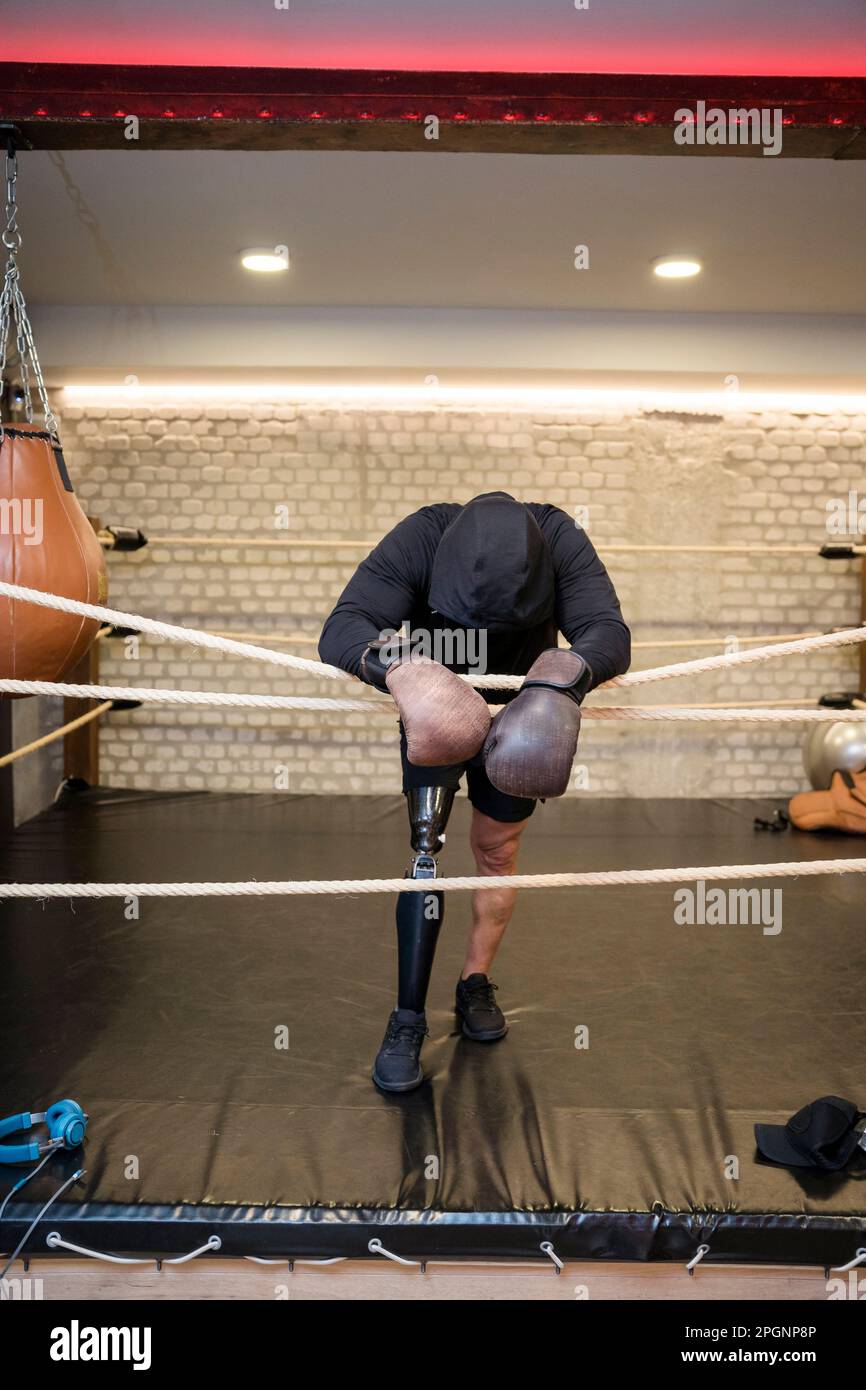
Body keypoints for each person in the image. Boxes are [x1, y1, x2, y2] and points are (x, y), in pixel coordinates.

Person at [319, 491, 631, 1092]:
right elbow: (344, 627)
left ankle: (473, 984)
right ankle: (408, 1018)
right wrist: (402, 670)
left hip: (523, 712)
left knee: (496, 852)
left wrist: (563, 678)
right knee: (425, 852)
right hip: (435, 704)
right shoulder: (421, 537)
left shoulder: (558, 537)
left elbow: (606, 632)